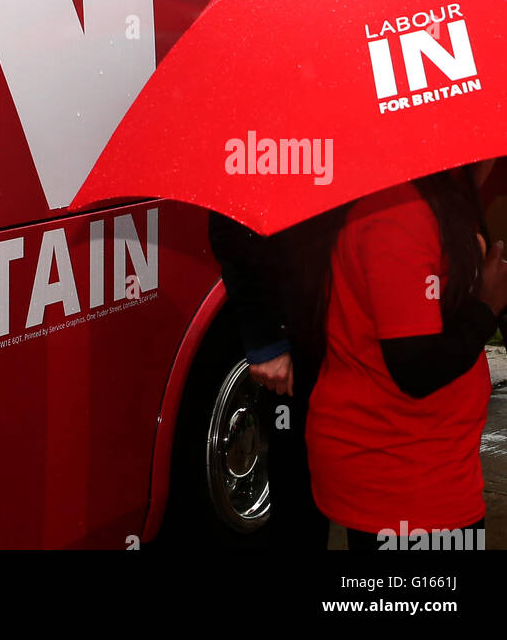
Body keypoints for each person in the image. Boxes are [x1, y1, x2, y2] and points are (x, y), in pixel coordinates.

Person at [302, 162, 507, 550]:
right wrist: (486, 309)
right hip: (403, 476)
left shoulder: (440, 199)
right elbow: (415, 367)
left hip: (435, 461)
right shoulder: (401, 213)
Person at [208, 211, 329, 548]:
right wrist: (265, 340)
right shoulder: (267, 160)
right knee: (297, 484)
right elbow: (228, 228)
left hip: (359, 333)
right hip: (298, 341)